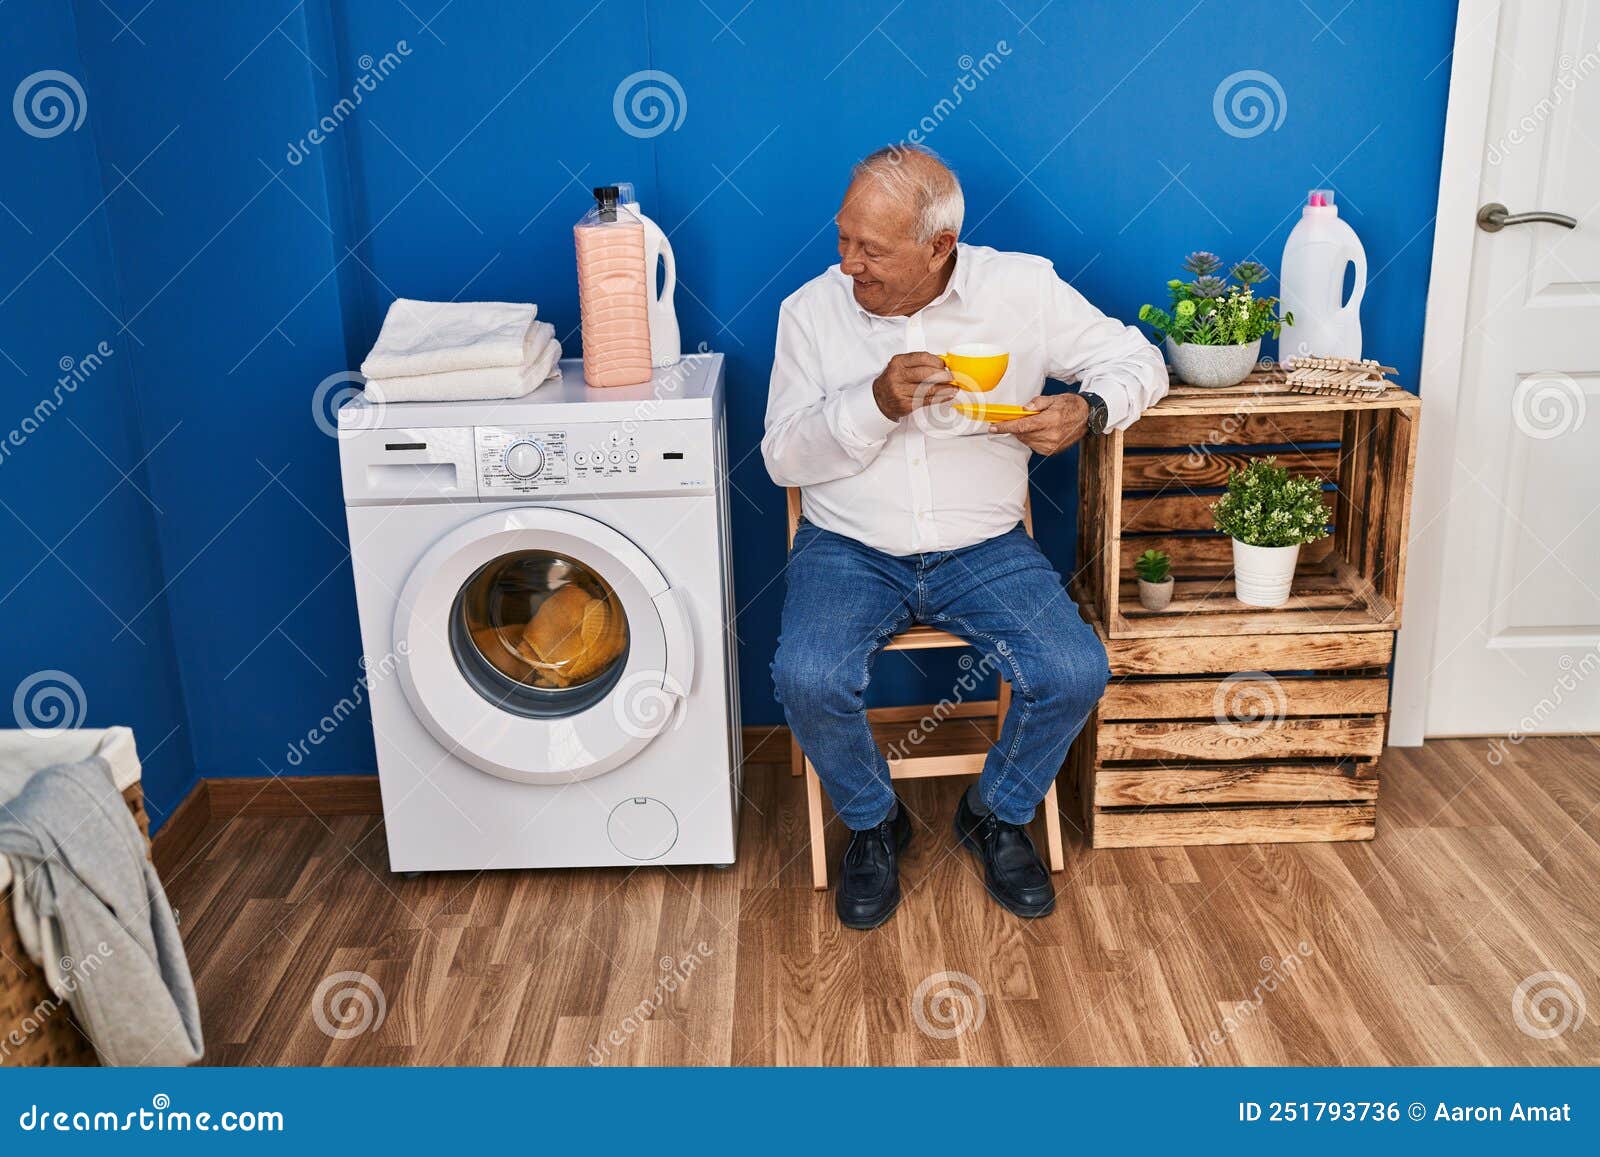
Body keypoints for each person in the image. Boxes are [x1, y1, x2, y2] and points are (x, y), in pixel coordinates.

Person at [763, 145, 1167, 930]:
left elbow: (1135, 357)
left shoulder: (1021, 288)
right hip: (849, 544)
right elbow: (781, 456)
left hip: (984, 544)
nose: (848, 263)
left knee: (1074, 668)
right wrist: (874, 401)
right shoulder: (810, 312)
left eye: (871, 249)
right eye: (843, 238)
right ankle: (875, 820)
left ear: (939, 246)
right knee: (806, 676)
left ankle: (997, 811)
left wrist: (1090, 408)